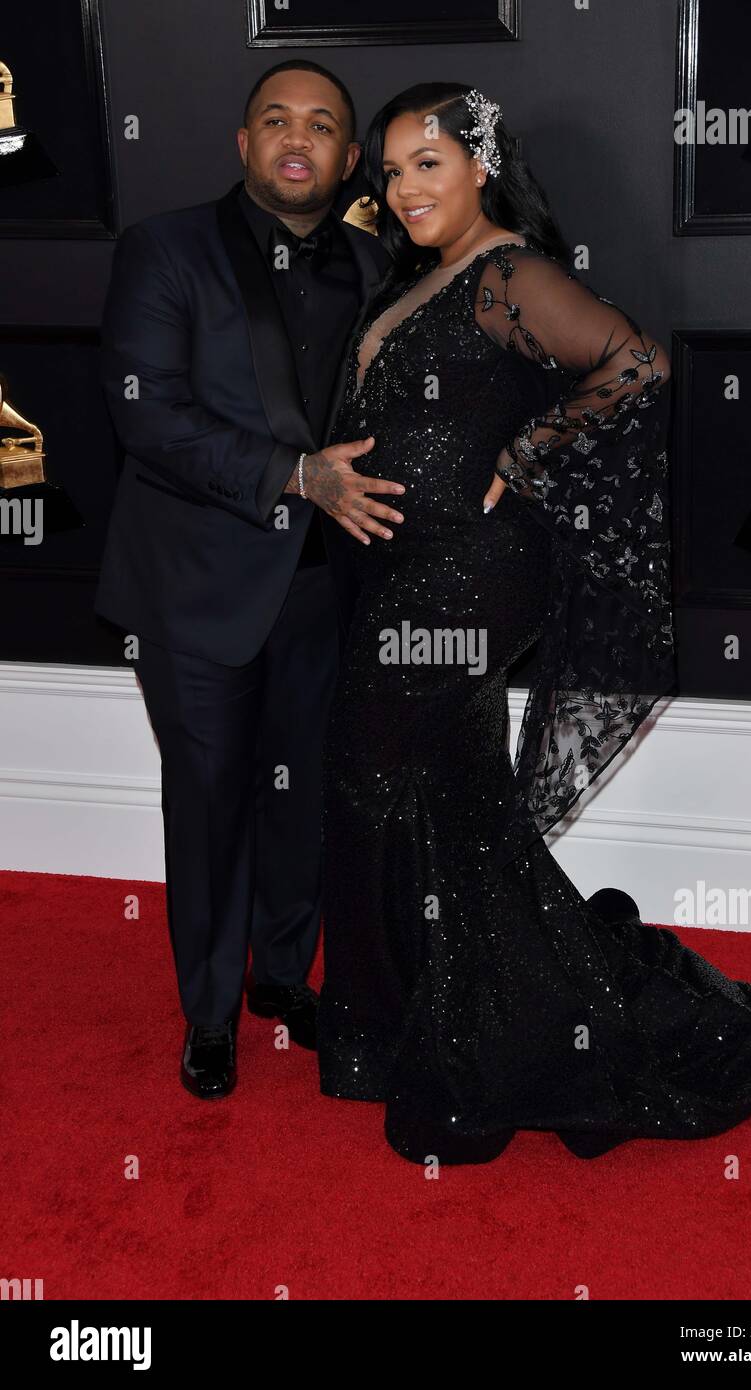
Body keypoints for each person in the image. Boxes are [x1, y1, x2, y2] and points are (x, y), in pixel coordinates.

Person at [315, 82, 751, 1164]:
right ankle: (424, 1015)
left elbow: (635, 365)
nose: (404, 188)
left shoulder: (507, 272)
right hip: (403, 571)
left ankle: (481, 1027)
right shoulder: (426, 275)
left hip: (467, 575)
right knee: (426, 795)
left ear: (479, 167)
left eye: (428, 164)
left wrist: (526, 453)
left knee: (387, 781)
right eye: (392, 170)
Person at [95, 61, 403, 1098]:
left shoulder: (375, 263)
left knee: (303, 799)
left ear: (348, 159)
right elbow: (149, 415)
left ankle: (281, 976)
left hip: (327, 585)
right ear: (242, 142)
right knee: (213, 801)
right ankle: (212, 1010)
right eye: (276, 118)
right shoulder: (164, 249)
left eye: (321, 125)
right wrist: (291, 474)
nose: (296, 137)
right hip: (196, 587)